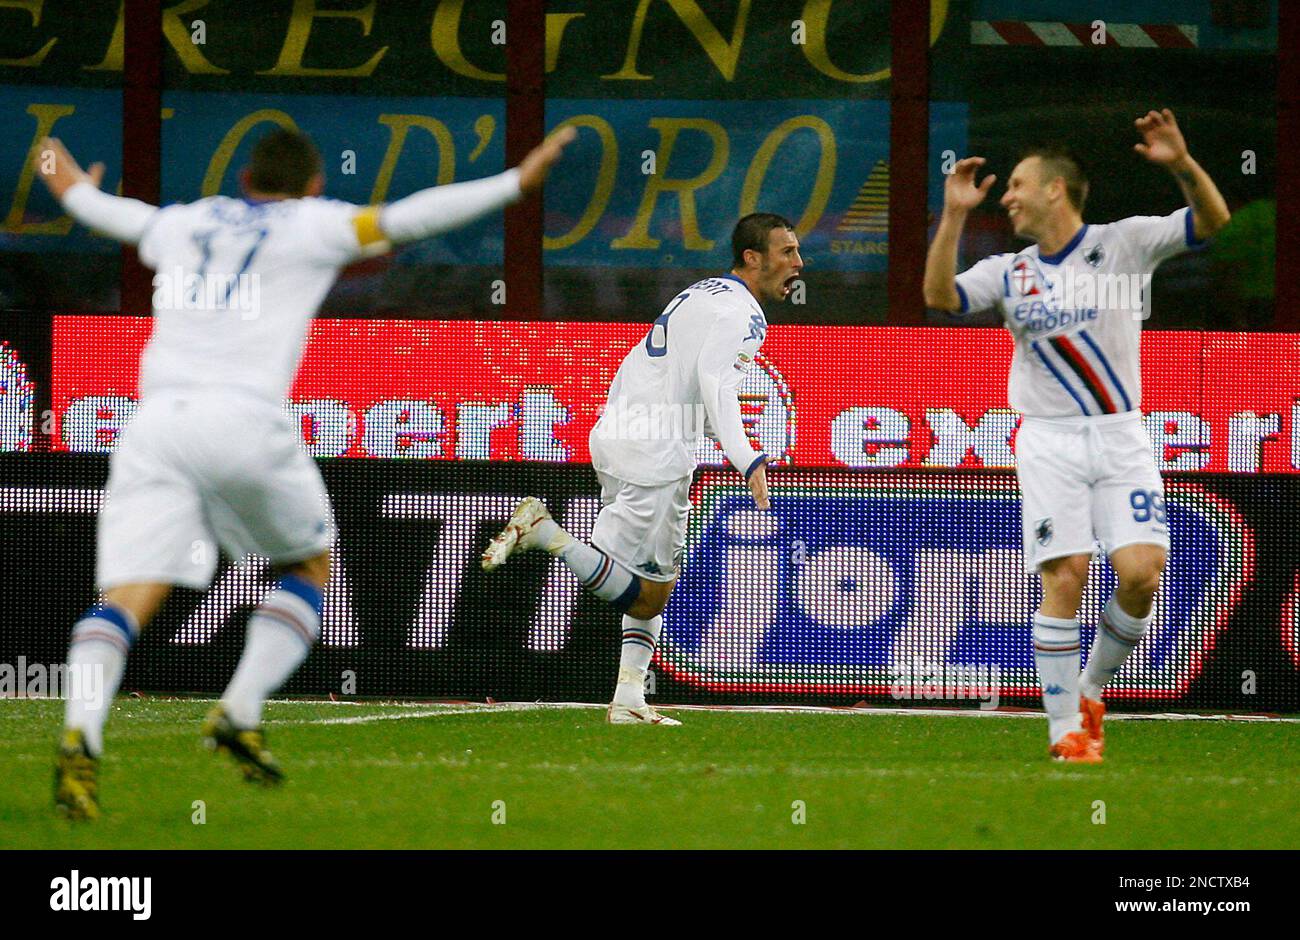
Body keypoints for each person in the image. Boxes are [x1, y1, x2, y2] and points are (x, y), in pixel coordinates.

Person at [42, 124, 574, 818]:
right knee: (309, 565)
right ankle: (239, 708)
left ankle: (81, 735)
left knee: (125, 596)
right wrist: (516, 182)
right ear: (315, 184)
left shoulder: (183, 221)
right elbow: (408, 216)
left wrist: (49, 151)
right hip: (246, 421)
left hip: (155, 425)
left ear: (245, 179)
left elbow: (88, 202)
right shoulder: (314, 225)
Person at [923, 109, 1229, 762]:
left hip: (1121, 436)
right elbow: (940, 295)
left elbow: (1212, 221)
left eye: (1017, 185)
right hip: (1050, 441)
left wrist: (1180, 163)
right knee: (1067, 574)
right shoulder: (1009, 271)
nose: (1005, 196)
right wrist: (952, 215)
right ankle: (1064, 730)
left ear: (1055, 189)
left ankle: (1090, 688)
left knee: (1143, 573)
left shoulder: (1123, 244)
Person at [481, 213, 802, 724]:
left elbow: (679, 372)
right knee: (647, 597)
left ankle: (629, 698)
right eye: (787, 252)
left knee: (656, 579)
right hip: (656, 448)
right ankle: (546, 534)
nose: (798, 263)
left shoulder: (703, 292)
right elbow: (717, 384)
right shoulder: (746, 316)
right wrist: (749, 458)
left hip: (619, 432)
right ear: (753, 258)